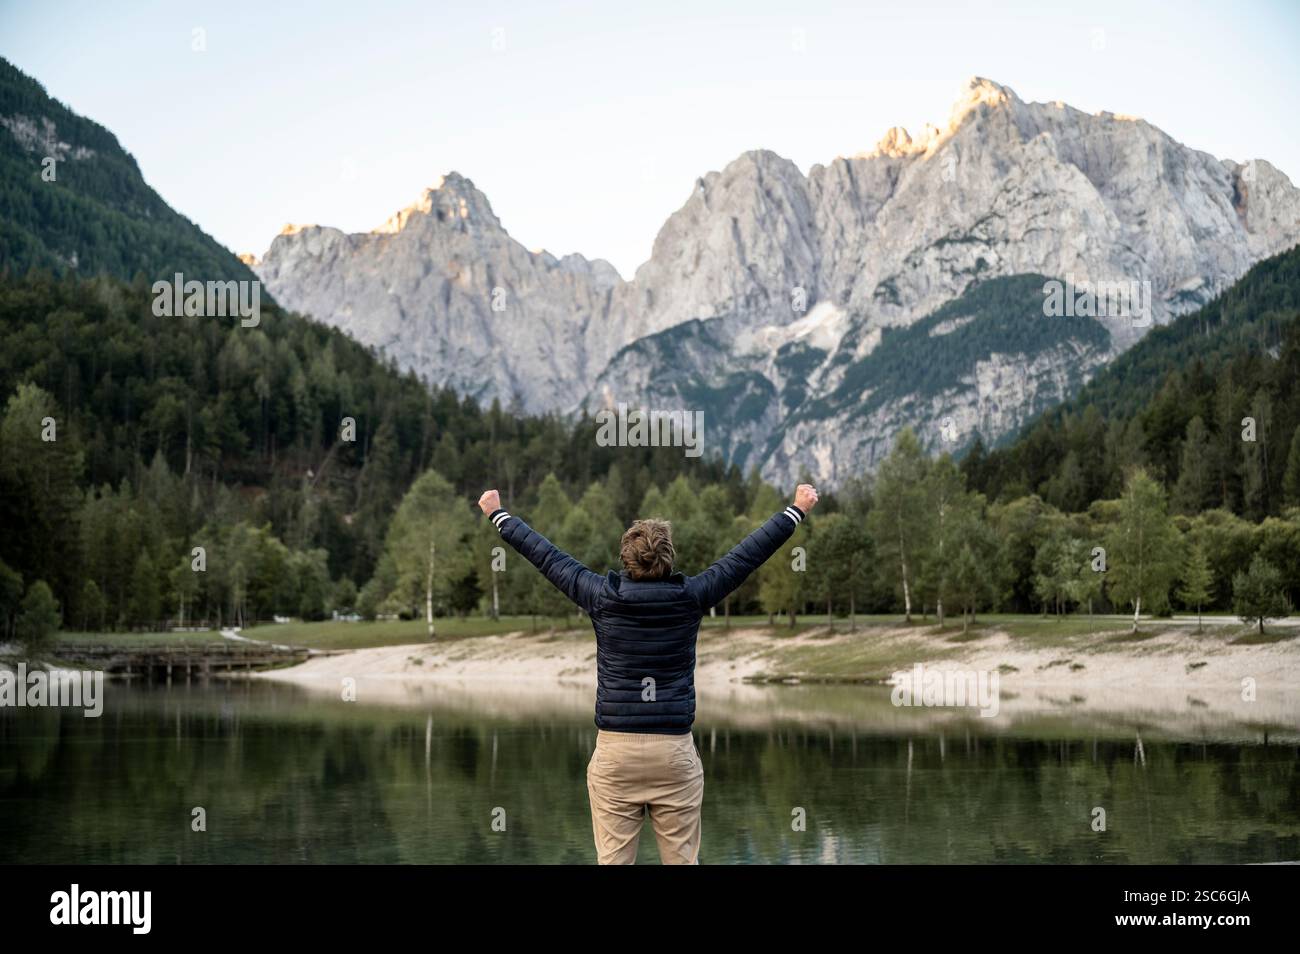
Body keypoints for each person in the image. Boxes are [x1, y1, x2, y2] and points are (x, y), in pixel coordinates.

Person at [477, 482, 819, 864]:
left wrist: (499, 514)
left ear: (627, 558)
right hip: (673, 753)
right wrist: (796, 510)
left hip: (616, 754)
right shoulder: (691, 597)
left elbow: (548, 557)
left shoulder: (601, 597)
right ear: (668, 558)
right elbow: (745, 557)